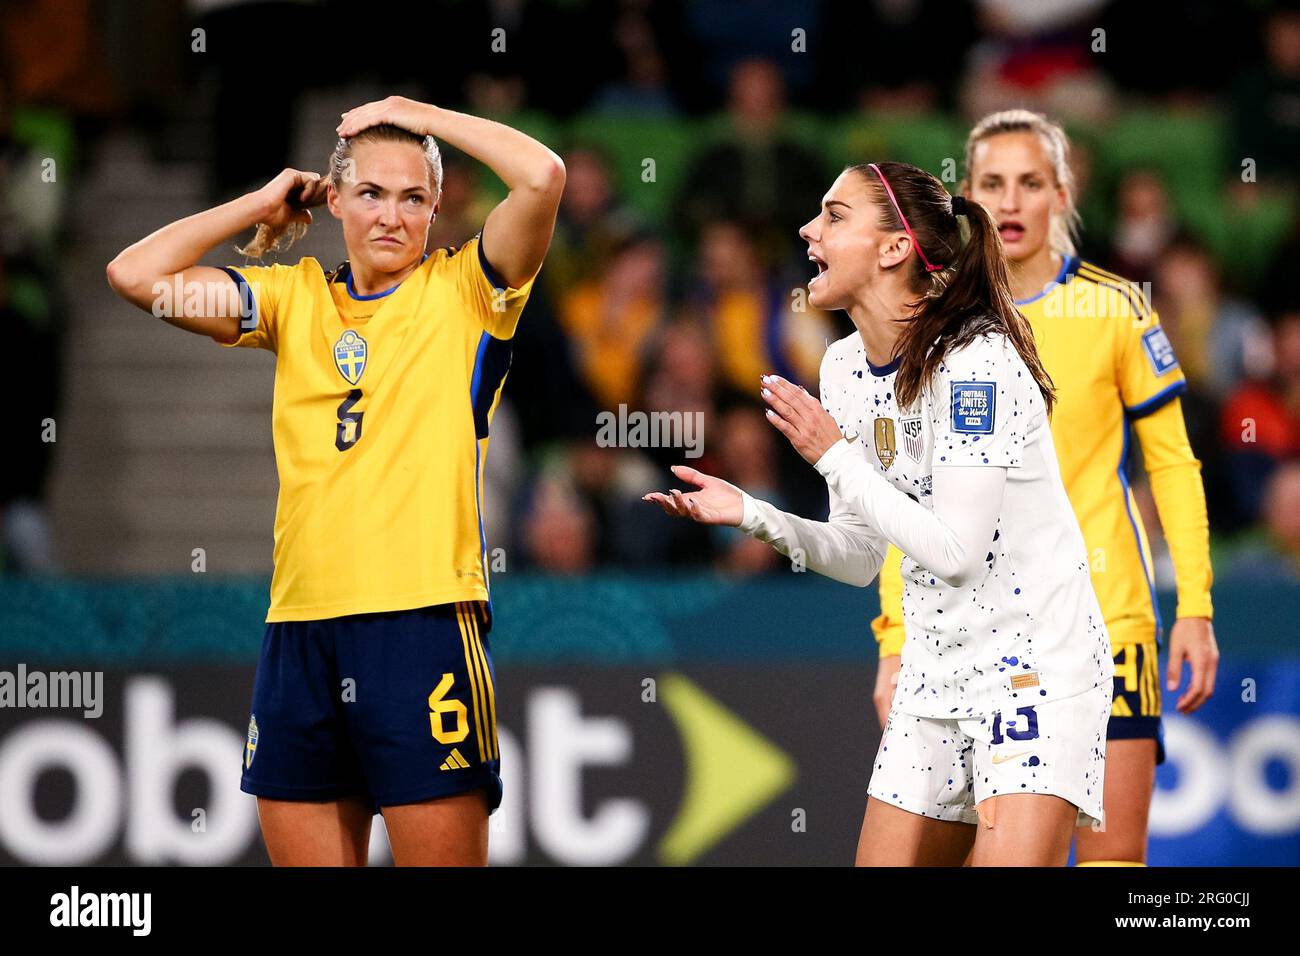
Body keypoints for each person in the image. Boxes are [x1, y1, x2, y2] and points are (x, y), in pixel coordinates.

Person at [106, 96, 565, 865]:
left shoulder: (468, 295)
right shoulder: (291, 299)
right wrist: (259, 203)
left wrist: (412, 112)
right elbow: (133, 274)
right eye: (371, 193)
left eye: (414, 196)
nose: (391, 215)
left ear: (435, 209)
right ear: (335, 199)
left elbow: (543, 177)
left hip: (421, 625)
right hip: (300, 629)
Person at [646, 159, 1114, 866]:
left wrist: (835, 456)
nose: (808, 231)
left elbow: (955, 551)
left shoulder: (974, 363)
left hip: (1033, 673)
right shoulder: (840, 368)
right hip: (933, 678)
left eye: (834, 216)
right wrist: (753, 513)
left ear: (895, 248)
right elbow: (863, 554)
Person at [872, 110, 1219, 867]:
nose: (1013, 201)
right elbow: (908, 494)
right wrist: (895, 639)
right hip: (968, 638)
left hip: (1109, 619)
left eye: (1032, 183)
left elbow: (1174, 464)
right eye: (993, 183)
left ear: (1063, 194)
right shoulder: (930, 329)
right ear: (967, 195)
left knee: (1110, 859)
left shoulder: (1115, 308)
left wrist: (1194, 604)